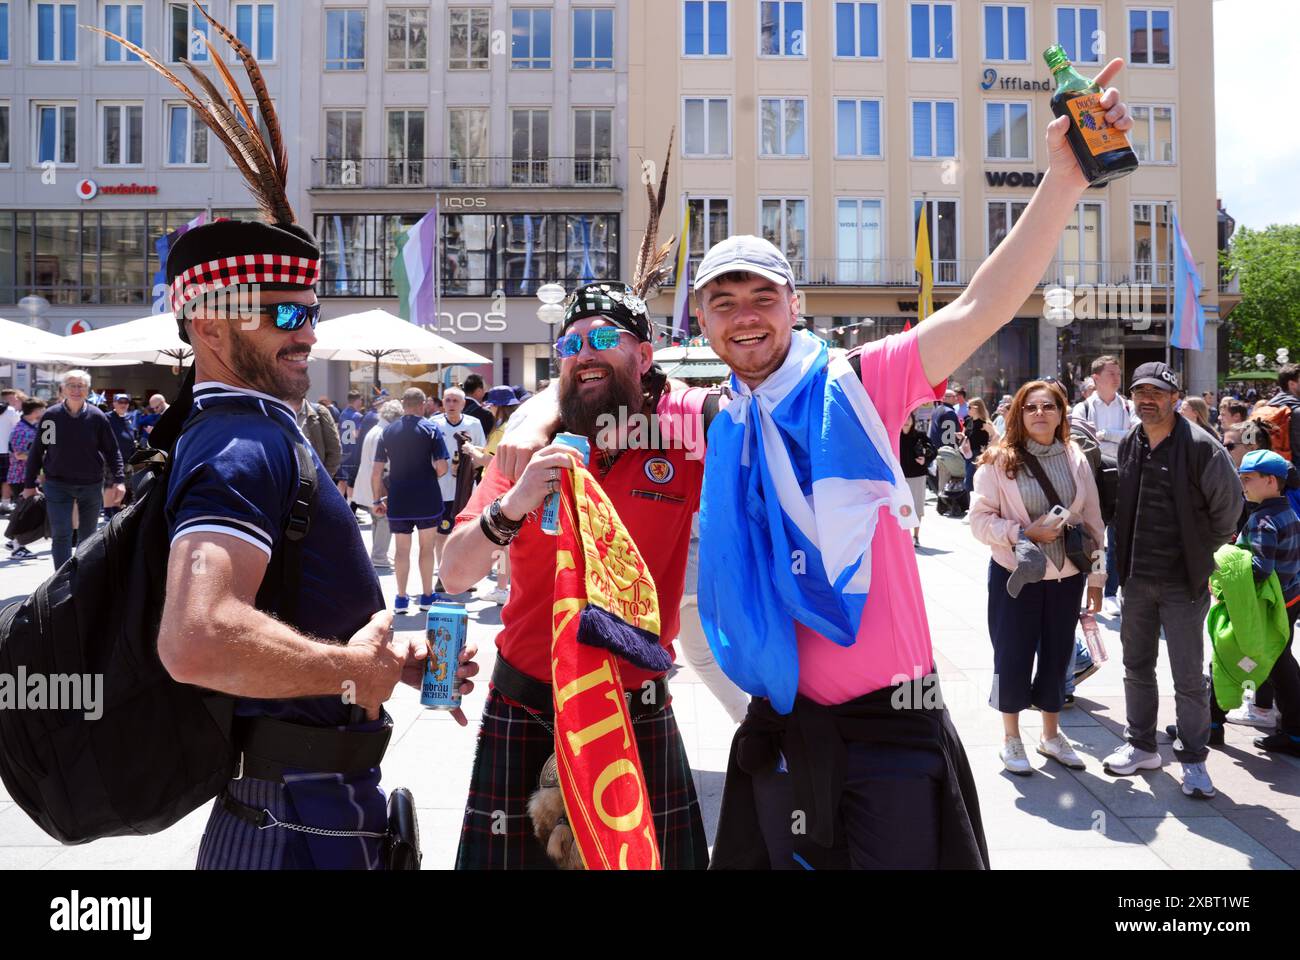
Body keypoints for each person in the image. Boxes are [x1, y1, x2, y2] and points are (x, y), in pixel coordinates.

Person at [103, 8, 480, 870]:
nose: (304, 332)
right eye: (280, 314)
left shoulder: (244, 430)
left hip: (305, 803)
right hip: (295, 818)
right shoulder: (241, 441)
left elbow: (287, 621)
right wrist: (355, 671)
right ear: (204, 325)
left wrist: (388, 660)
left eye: (310, 312)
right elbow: (198, 638)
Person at [439, 274, 712, 869]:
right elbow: (454, 572)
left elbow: (746, 417)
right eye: (571, 343)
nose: (584, 352)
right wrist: (512, 506)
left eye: (605, 337)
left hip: (633, 706)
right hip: (527, 702)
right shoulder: (525, 450)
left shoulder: (684, 433)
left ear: (644, 354)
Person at [1102, 362, 1242, 799]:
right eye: (1140, 391)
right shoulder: (1130, 442)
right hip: (1137, 578)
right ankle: (1141, 744)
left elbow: (1229, 510)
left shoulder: (1202, 447)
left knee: (1187, 676)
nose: (1148, 399)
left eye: (1157, 393)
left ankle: (1195, 760)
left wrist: (1201, 556)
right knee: (1136, 666)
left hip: (1184, 582)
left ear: (1175, 398)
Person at [971, 380, 1104, 773]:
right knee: (1012, 654)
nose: (1040, 413)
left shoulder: (1076, 457)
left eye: (1049, 406)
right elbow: (978, 522)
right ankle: (1011, 739)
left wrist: (1097, 577)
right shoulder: (999, 459)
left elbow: (1093, 521)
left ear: (1062, 412)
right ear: (1019, 414)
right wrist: (1023, 533)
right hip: (1017, 575)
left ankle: (1050, 736)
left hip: (1066, 576)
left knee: (1058, 655)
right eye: (1031, 407)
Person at [1225, 451, 1300, 757]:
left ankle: (1294, 733)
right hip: (1290, 598)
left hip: (1268, 606)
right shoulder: (1290, 512)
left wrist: (1227, 560)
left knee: (1260, 662)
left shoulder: (1263, 520)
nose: (1243, 484)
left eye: (1248, 478)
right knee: (1282, 663)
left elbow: (1259, 569)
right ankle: (1293, 731)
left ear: (1271, 481)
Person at [20, 370, 126, 569]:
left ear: (87, 390)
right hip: (57, 484)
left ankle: (82, 581)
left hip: (91, 485)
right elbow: (39, 450)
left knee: (88, 537)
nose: (76, 390)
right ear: (63, 389)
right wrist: (29, 484)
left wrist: (119, 480)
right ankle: (61, 581)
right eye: (72, 385)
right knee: (61, 534)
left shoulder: (97, 417)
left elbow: (112, 451)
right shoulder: (52, 416)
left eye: (81, 386)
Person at [371, 388, 450, 614]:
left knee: (401, 550)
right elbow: (443, 466)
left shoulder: (388, 431)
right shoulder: (431, 428)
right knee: (426, 547)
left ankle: (401, 598)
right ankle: (426, 596)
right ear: (423, 404)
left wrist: (377, 498)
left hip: (399, 497)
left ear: (403, 403)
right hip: (427, 497)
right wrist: (428, 477)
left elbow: (376, 472)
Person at [1073, 354, 1137, 615]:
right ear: (1096, 378)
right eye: (1111, 373)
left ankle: (1111, 590)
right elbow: (1080, 439)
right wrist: (1112, 440)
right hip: (1093, 478)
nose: (1117, 377)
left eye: (1118, 373)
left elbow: (1136, 434)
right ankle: (1089, 585)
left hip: (1122, 476)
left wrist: (1105, 435)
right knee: (1092, 537)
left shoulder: (1128, 406)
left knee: (1118, 537)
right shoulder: (1083, 408)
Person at [429, 387, 486, 590]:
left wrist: (464, 466)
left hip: (465, 489)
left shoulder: (474, 424)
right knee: (442, 533)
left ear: (463, 404)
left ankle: (463, 575)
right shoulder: (434, 424)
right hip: (441, 488)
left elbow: (482, 455)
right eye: (448, 400)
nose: (451, 404)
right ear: (443, 403)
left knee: (464, 532)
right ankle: (442, 576)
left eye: (455, 401)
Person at [472, 385, 522, 604]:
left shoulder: (501, 430)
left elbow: (489, 461)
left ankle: (502, 587)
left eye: (491, 404)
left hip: (498, 490)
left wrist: (469, 449)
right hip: (512, 489)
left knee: (501, 543)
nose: (489, 408)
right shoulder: (516, 426)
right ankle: (506, 586)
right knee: (507, 543)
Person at [353, 399, 403, 570]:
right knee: (384, 520)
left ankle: (378, 554)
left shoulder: (375, 430)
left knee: (378, 520)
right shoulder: (384, 433)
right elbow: (380, 466)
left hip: (370, 483)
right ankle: (379, 556)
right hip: (379, 484)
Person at [5, 398, 45, 560]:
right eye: (41, 409)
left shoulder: (33, 427)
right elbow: (19, 454)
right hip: (20, 476)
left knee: (23, 512)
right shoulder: (21, 430)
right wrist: (40, 455)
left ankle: (14, 541)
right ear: (35, 411)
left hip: (28, 476)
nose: (43, 412)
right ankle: (17, 548)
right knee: (24, 513)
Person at [900, 411, 936, 547]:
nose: (907, 421)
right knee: (902, 507)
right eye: (904, 418)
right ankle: (903, 535)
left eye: (909, 418)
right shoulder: (895, 436)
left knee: (917, 507)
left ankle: (916, 536)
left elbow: (934, 450)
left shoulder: (920, 435)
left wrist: (925, 460)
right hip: (900, 477)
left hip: (917, 475)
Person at [104, 394, 140, 520]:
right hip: (110, 458)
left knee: (123, 487)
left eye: (126, 402)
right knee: (111, 486)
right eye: (120, 402)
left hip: (127, 459)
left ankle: (115, 512)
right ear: (114, 403)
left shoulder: (130, 418)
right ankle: (108, 514)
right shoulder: (107, 418)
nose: (123, 404)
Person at [1263, 364, 1300, 468]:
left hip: (1274, 470)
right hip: (1295, 472)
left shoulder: (1268, 406)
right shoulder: (1297, 411)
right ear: (1292, 384)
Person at [296, 396, 342, 477]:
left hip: (313, 481)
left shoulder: (319, 412)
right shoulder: (276, 413)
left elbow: (334, 450)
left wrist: (323, 479)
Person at [336, 389, 366, 501]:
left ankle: (338, 505)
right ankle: (350, 509)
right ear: (357, 400)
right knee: (351, 482)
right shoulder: (358, 416)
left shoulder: (343, 413)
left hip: (343, 451)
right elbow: (356, 434)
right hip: (353, 453)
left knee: (342, 481)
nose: (361, 402)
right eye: (361, 400)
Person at [0, 387, 24, 512]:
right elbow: (18, 427)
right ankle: (5, 502)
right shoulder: (10, 411)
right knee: (6, 478)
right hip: (5, 449)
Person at [964, 397, 995, 489]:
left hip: (978, 454)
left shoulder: (984, 423)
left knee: (969, 483)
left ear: (976, 408)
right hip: (967, 453)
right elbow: (965, 434)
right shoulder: (968, 421)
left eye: (969, 407)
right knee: (970, 481)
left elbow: (995, 436)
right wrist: (961, 436)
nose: (967, 409)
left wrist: (987, 448)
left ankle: (972, 502)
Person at [461, 373, 497, 440]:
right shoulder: (485, 414)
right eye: (484, 389)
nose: (485, 392)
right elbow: (489, 439)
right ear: (478, 391)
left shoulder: (456, 408)